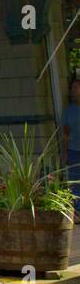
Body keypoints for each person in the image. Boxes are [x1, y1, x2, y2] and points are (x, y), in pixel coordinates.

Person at [62, 77, 80, 211]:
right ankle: (77, 211)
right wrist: (65, 152)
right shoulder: (68, 111)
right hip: (74, 151)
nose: (72, 91)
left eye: (75, 88)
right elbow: (66, 133)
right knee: (75, 183)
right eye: (72, 88)